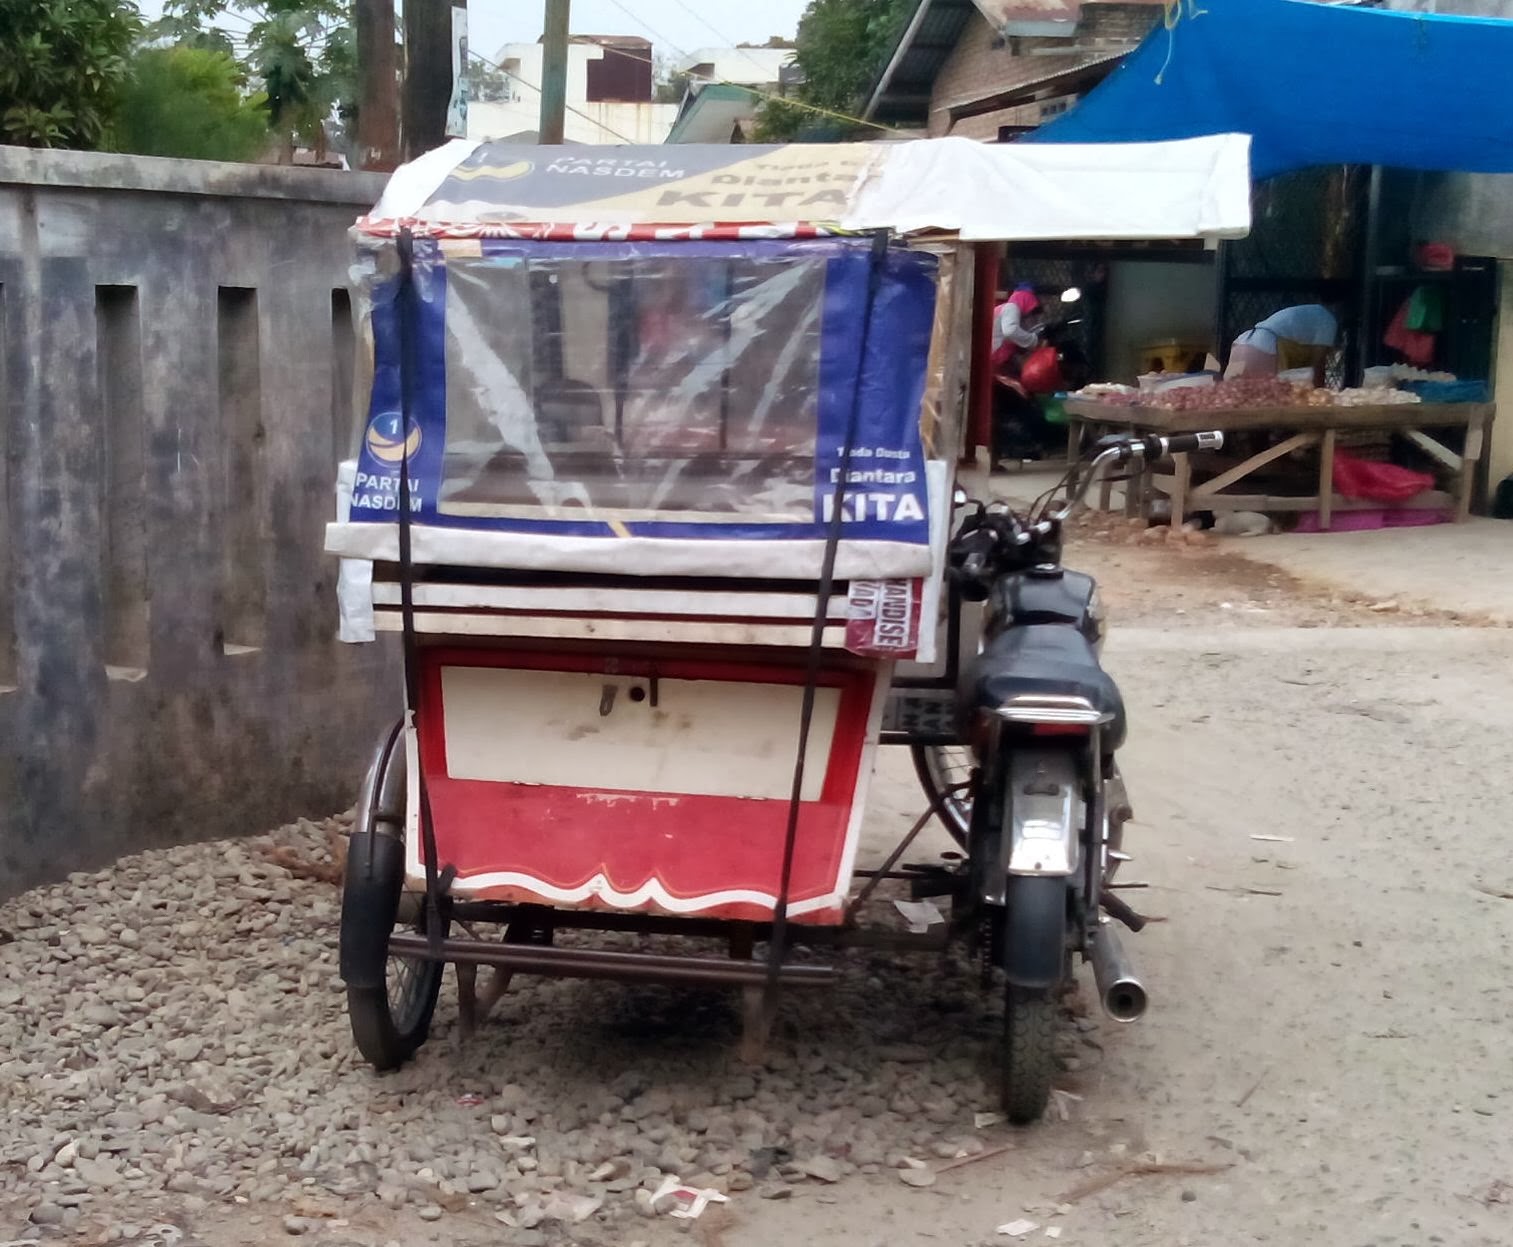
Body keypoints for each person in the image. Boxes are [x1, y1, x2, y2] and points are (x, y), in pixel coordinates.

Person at [1224, 304, 1338, 383]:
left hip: (1242, 343)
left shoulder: (1314, 314)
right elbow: (1318, 366)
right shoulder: (1328, 322)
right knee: (1272, 398)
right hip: (1265, 348)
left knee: (1235, 397)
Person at [991, 284, 1042, 373]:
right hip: (995, 357)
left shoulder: (1007, 310)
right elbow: (1010, 332)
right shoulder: (1011, 308)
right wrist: (1034, 341)